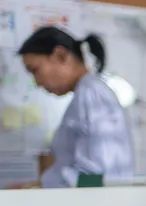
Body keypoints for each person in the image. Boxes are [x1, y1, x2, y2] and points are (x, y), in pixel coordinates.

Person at [18, 27, 134, 188]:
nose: (37, 82)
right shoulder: (85, 94)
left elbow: (95, 175)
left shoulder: (92, 95)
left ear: (61, 55)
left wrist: (41, 187)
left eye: (35, 70)